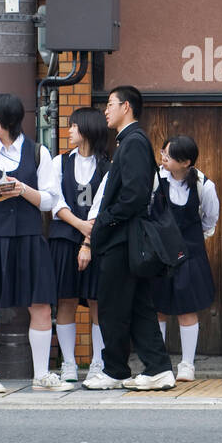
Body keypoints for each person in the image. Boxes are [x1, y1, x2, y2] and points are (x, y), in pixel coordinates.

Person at [0, 94, 62, 393]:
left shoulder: (38, 152)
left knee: (41, 305)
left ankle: (41, 374)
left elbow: (48, 200)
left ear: (9, 121)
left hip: (29, 236)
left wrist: (21, 189)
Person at [82, 85, 175, 391]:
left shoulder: (133, 142)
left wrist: (105, 222)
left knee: (113, 307)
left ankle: (115, 371)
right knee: (137, 306)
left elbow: (135, 196)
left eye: (110, 104)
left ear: (127, 108)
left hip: (122, 240)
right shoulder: (130, 141)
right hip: (125, 239)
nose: (106, 110)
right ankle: (159, 369)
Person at [48, 107, 112, 385]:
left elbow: (103, 204)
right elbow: (55, 202)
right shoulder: (58, 163)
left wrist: (89, 234)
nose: (70, 131)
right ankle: (69, 364)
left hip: (98, 240)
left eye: (74, 126)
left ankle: (98, 362)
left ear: (86, 128)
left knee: (98, 300)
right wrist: (80, 225)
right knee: (66, 300)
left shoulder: (108, 166)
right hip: (64, 239)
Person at [151, 135, 219, 383]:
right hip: (159, 254)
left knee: (187, 310)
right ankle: (159, 363)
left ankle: (187, 365)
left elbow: (210, 218)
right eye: (163, 152)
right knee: (158, 309)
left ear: (186, 162)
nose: (163, 157)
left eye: (169, 155)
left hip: (190, 254)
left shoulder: (203, 185)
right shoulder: (155, 180)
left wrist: (193, 240)